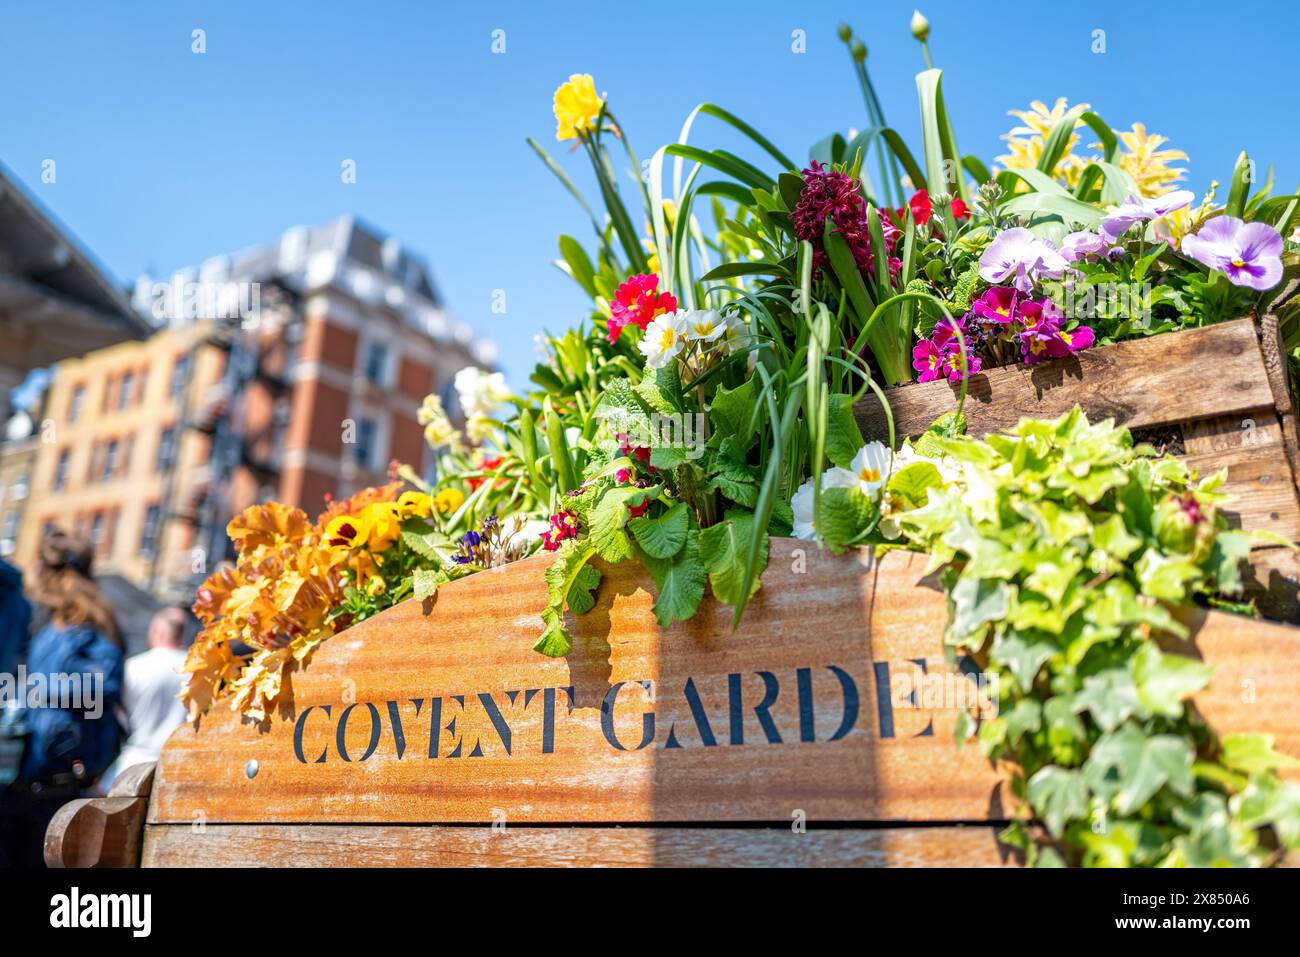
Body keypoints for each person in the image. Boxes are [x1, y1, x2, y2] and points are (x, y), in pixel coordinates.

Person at [0, 532, 124, 867]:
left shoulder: (90, 627)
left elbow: (100, 687)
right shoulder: (45, 626)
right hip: (22, 781)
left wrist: (30, 689)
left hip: (57, 787)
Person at [99, 607, 189, 790]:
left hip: (135, 762)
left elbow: (117, 712)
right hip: (182, 763)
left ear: (158, 632)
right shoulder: (199, 670)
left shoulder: (133, 667)